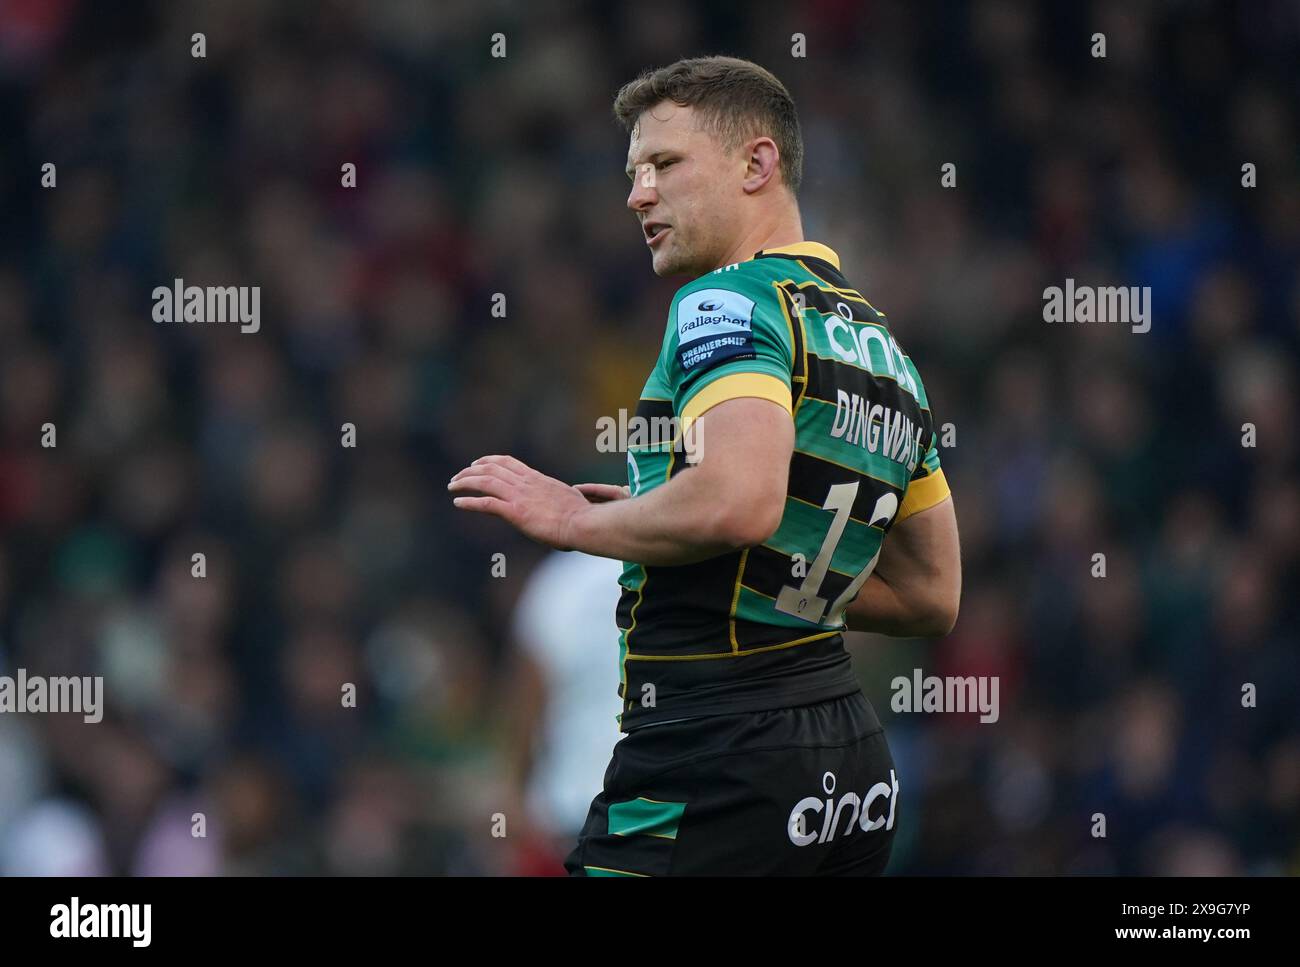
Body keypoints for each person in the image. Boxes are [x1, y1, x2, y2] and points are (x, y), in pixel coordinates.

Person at [449, 55, 961, 875]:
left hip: (716, 751)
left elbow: (739, 503)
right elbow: (933, 593)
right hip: (846, 761)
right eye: (633, 172)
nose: (637, 194)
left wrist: (580, 521)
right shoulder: (884, 349)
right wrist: (677, 526)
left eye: (665, 164)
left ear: (757, 163)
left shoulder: (725, 301)